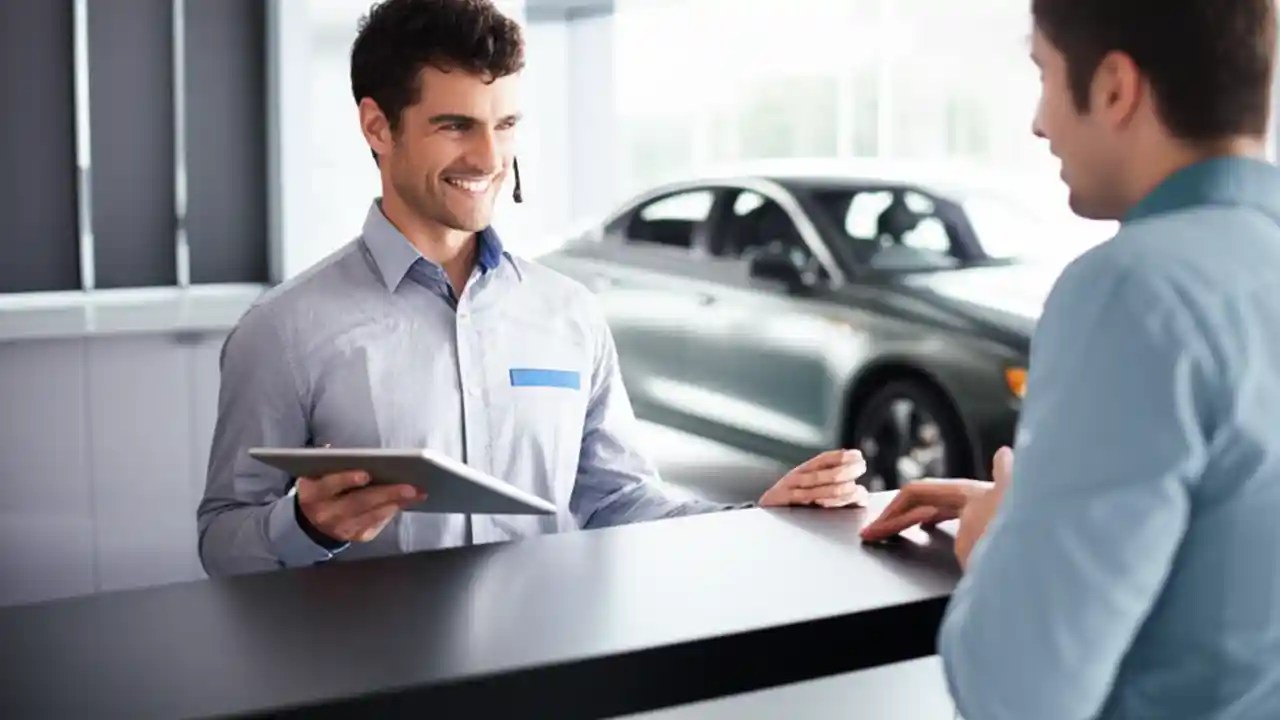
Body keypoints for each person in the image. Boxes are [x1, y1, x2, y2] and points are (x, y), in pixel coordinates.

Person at [197, 0, 867, 577]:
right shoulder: (284, 330)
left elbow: (619, 501)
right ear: (377, 127)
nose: (489, 158)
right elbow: (222, 542)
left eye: (506, 124)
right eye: (455, 125)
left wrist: (753, 518)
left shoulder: (568, 313)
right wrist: (306, 526)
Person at [861, 0, 1280, 717]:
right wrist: (1041, 515)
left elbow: (1017, 690)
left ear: (1115, 87)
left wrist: (994, 545)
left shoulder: (1133, 291)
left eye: (1044, 77)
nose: (1038, 121)